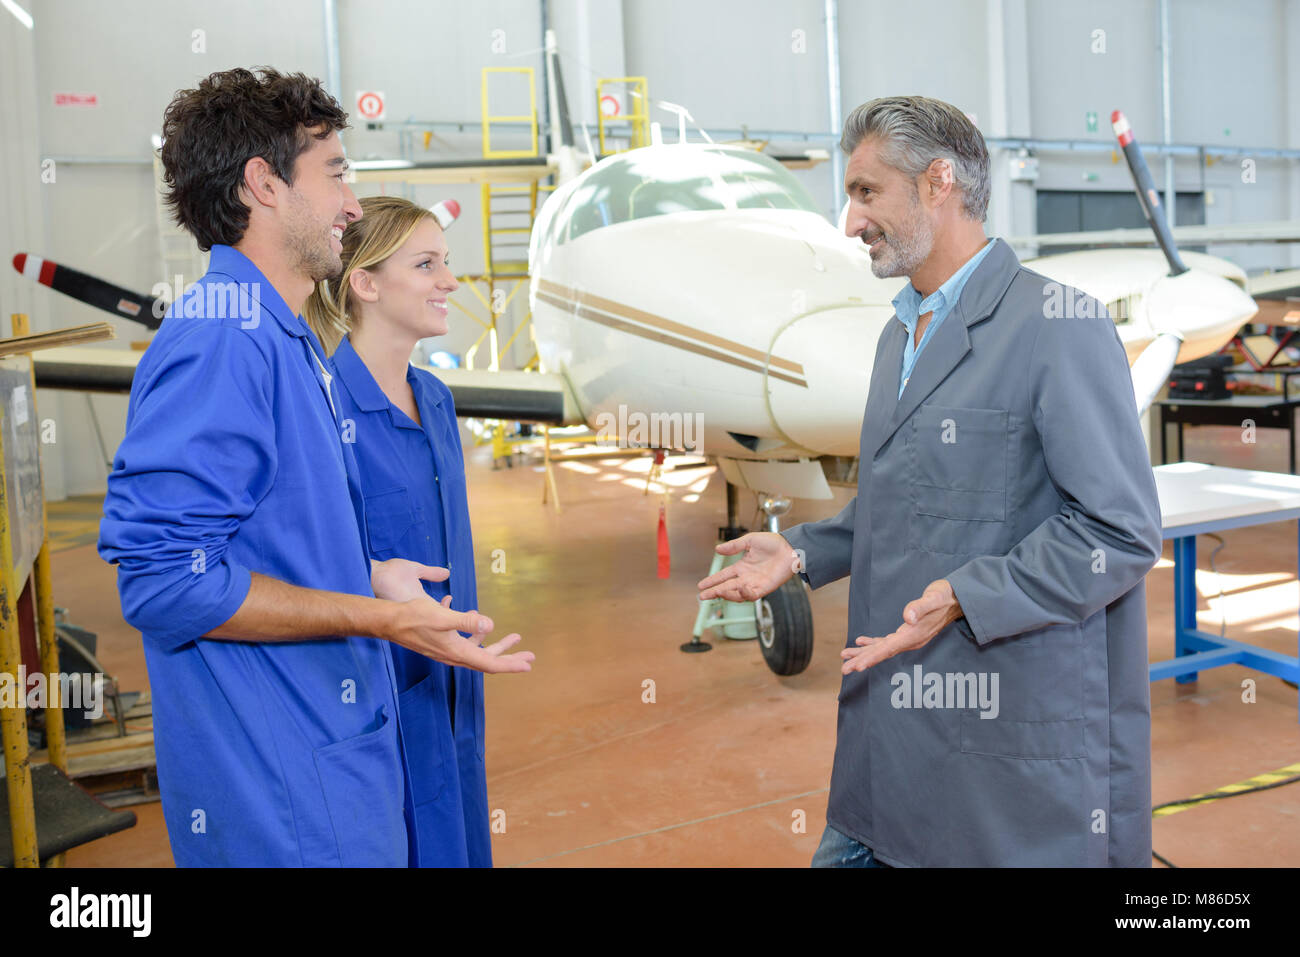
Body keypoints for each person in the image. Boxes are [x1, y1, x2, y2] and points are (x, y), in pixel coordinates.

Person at [699, 95, 1162, 867]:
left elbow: (1119, 532)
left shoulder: (1058, 326)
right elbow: (905, 499)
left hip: (998, 776)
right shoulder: (896, 334)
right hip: (882, 766)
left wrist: (964, 595)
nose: (850, 223)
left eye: (866, 192)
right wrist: (800, 552)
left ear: (939, 181)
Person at [98, 68, 533, 867]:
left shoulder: (287, 339)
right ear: (263, 184)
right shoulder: (223, 340)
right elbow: (164, 583)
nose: (353, 205)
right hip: (284, 804)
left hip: (329, 776)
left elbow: (262, 541)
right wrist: (379, 618)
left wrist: (368, 576)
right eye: (334, 174)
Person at [303, 196, 490, 867]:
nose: (450, 281)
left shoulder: (435, 397)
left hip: (452, 688)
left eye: (447, 262)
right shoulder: (322, 409)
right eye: (427, 263)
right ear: (366, 283)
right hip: (372, 698)